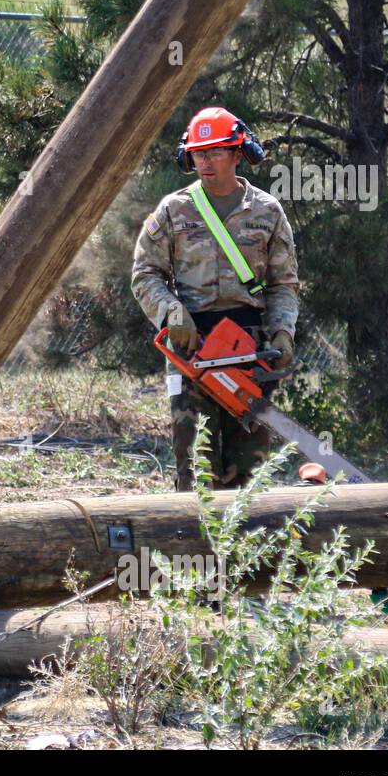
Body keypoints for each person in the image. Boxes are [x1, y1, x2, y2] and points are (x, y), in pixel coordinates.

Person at [131, 107, 300, 491]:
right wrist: (170, 311)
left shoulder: (267, 212)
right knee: (194, 467)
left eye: (215, 152)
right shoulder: (173, 211)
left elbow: (283, 284)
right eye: (198, 153)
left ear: (238, 154)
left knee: (248, 469)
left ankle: (246, 550)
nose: (205, 162)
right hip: (193, 348)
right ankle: (198, 550)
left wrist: (282, 333)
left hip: (250, 350)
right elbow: (145, 274)